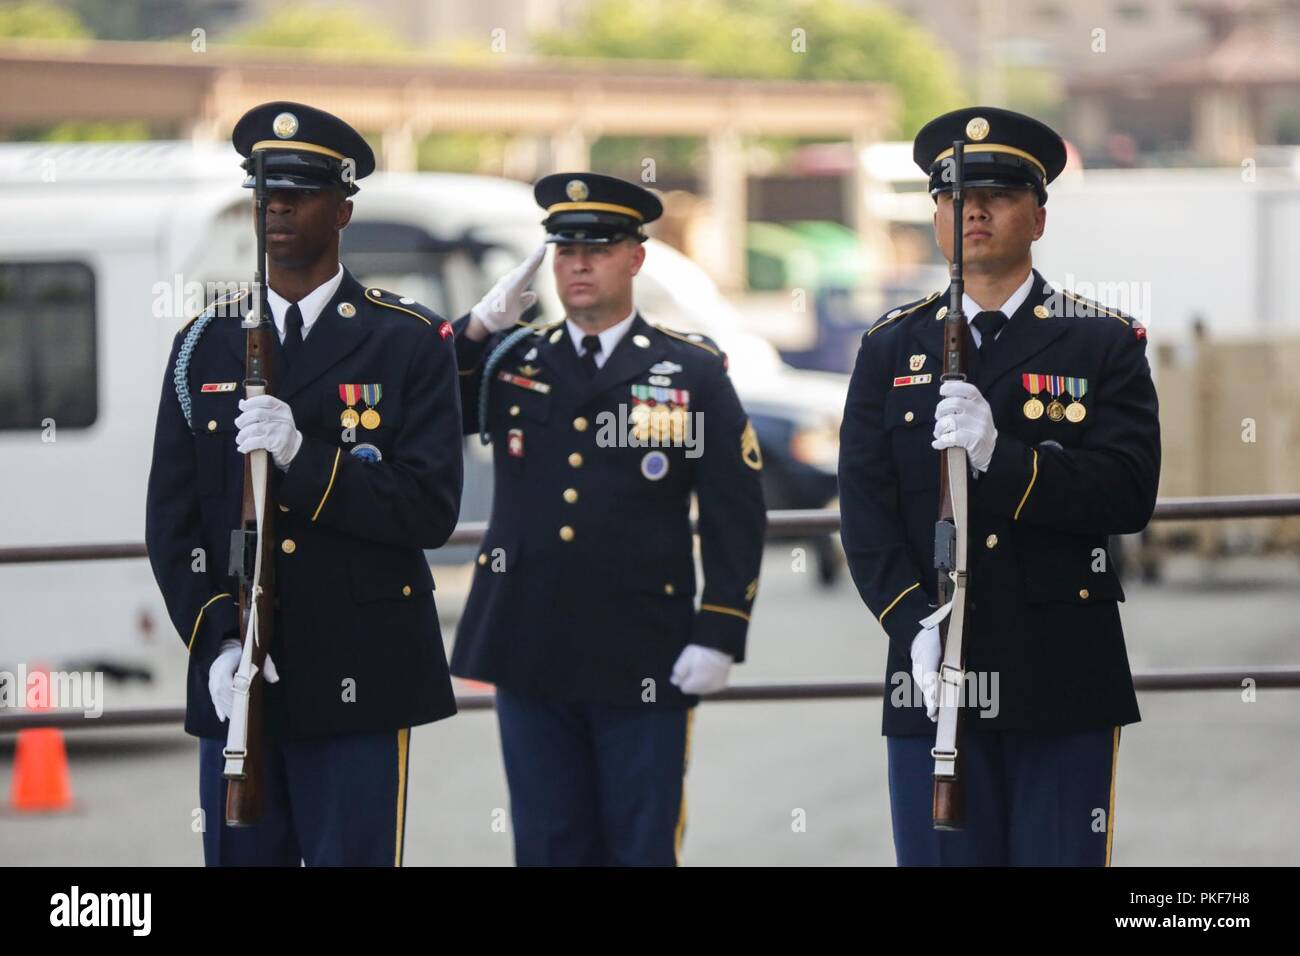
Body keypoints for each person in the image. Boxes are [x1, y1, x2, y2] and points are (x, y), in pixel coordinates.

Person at [838, 107, 1160, 866]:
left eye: (1000, 192)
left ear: (1038, 215)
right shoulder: (892, 345)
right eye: (953, 195)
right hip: (932, 672)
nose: (973, 210)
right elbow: (864, 507)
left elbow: (1126, 494)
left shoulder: (1100, 339)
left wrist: (1000, 455)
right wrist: (909, 623)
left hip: (1059, 675)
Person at [145, 101, 464, 866]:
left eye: (298, 192)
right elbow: (173, 520)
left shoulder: (408, 340)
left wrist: (303, 454)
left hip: (360, 673)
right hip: (239, 684)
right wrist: (219, 642)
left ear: (344, 208)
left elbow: (429, 508)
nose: (276, 207)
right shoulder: (205, 343)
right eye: (264, 191)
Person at [450, 172, 766, 866]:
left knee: (640, 843)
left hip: (642, 653)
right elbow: (420, 401)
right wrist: (475, 330)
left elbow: (734, 514)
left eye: (597, 248)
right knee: (548, 843)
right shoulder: (513, 360)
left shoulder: (691, 373)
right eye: (565, 251)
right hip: (529, 643)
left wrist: (719, 630)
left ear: (635, 258)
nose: (579, 264)